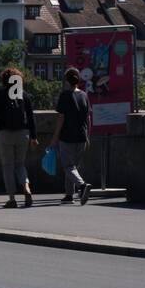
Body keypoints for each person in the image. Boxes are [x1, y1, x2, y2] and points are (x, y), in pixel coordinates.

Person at [0, 66, 38, 208]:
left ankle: (12, 199)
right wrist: (34, 136)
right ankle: (26, 187)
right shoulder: (24, 95)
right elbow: (31, 117)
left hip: (5, 134)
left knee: (8, 166)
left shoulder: (0, 95)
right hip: (23, 134)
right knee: (20, 164)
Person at [50, 67, 93, 205]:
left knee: (68, 166)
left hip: (67, 136)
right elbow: (88, 118)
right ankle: (69, 195)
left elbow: (61, 118)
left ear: (66, 81)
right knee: (74, 167)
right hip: (81, 135)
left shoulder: (64, 96)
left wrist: (55, 137)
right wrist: (88, 136)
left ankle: (82, 186)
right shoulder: (84, 95)